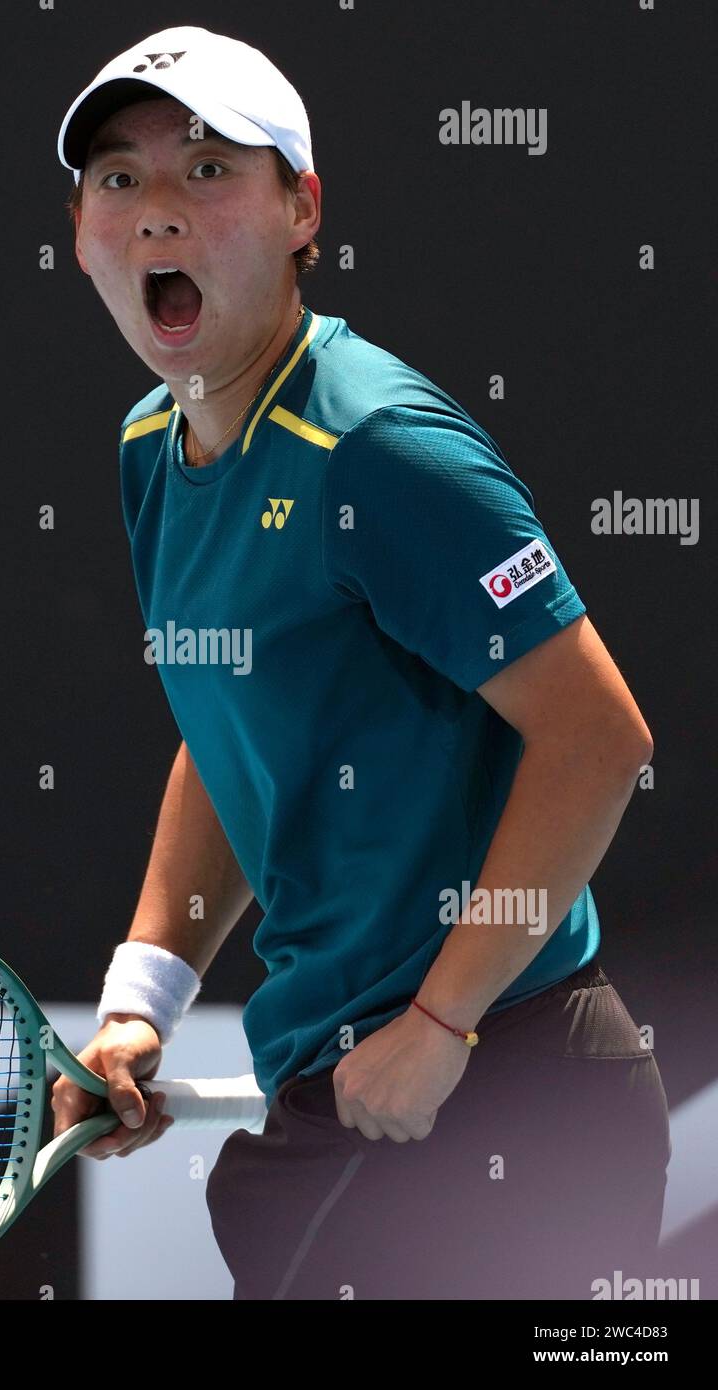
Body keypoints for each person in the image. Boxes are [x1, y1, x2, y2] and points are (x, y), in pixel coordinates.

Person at [50, 25, 671, 1299]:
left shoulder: (378, 449)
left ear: (299, 209)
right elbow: (237, 726)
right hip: (355, 1098)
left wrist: (439, 1022)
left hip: (509, 1089)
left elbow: (599, 738)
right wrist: (141, 1002)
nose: (156, 212)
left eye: (209, 170)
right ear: (78, 231)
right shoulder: (149, 447)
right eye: (119, 179)